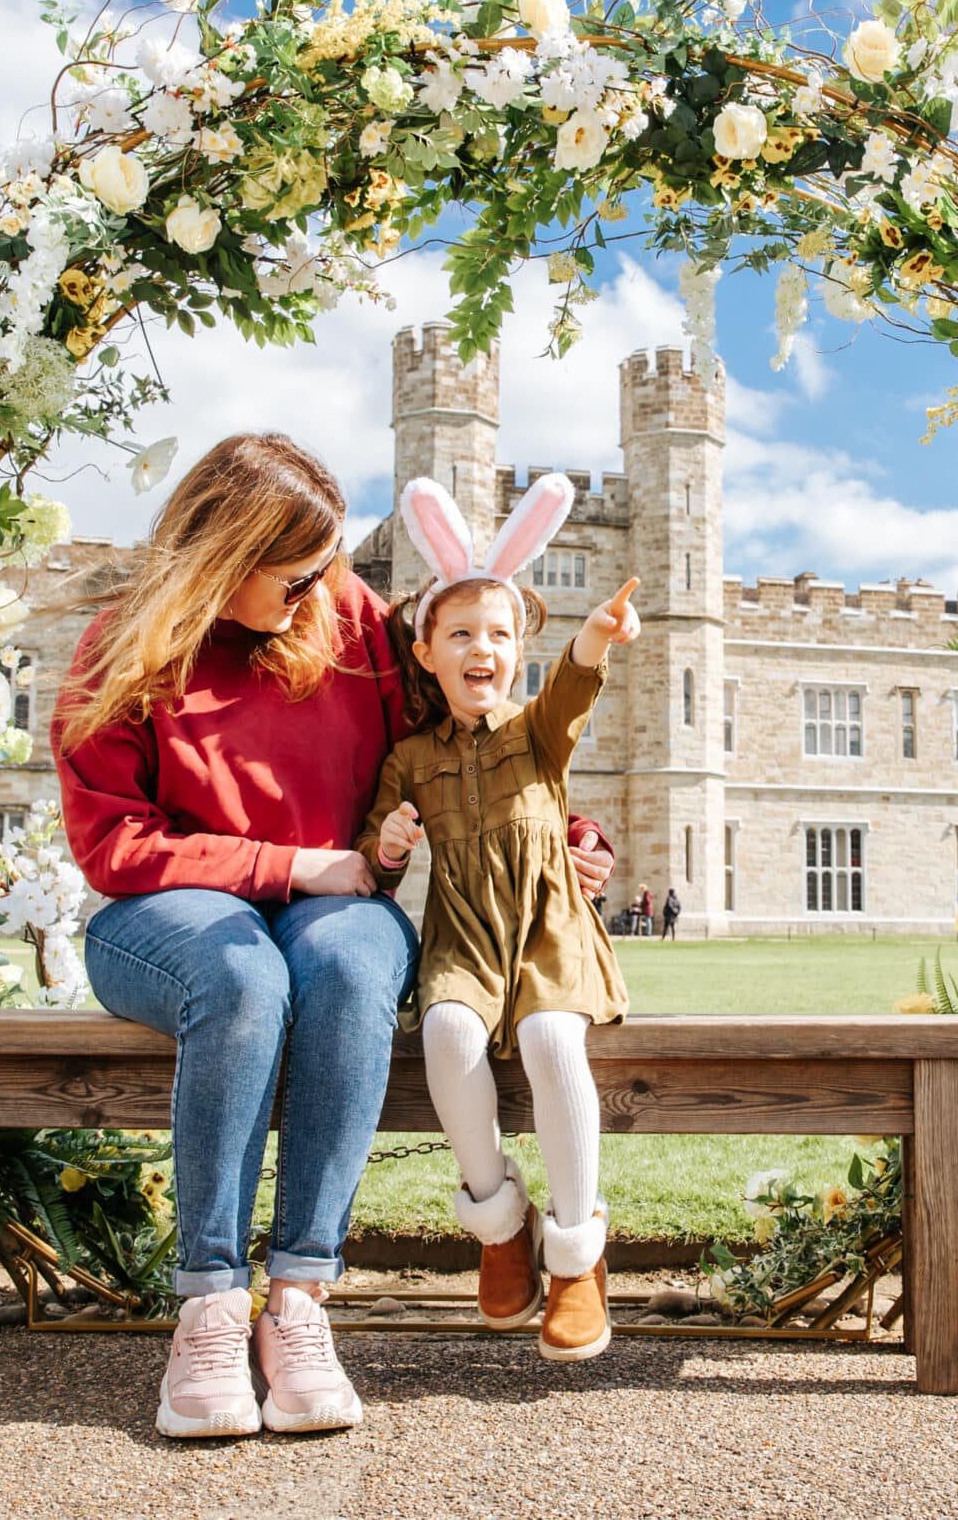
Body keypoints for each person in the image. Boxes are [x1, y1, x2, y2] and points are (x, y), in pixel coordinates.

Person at [51, 434, 614, 1439]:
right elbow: (114, 843)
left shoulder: (344, 616)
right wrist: (288, 865)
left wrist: (566, 836)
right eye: (297, 571)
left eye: (330, 564)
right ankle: (211, 1307)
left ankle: (302, 1298)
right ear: (221, 557)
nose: (324, 587)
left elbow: (465, 740)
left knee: (352, 967)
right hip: (166, 912)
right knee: (242, 980)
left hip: (335, 909)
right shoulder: (122, 645)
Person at [366, 473, 636, 1361]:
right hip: (463, 934)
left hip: (550, 927)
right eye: (461, 634)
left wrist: (596, 633)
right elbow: (376, 850)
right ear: (428, 653)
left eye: (499, 633)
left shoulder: (535, 732)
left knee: (557, 1045)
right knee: (446, 1037)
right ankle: (496, 1227)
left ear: (518, 650)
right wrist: (396, 840)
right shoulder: (409, 756)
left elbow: (574, 688)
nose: (482, 647)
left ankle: (573, 1255)